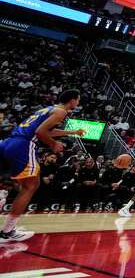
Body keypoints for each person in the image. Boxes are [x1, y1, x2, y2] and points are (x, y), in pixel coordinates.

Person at [0, 88, 83, 243]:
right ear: (72, 100)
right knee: (31, 185)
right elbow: (40, 132)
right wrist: (53, 145)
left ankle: (2, 199)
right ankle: (7, 232)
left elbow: (45, 130)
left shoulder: (48, 109)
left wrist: (72, 133)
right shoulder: (61, 112)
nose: (78, 103)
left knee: (8, 183)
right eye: (77, 100)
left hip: (8, 142)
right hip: (23, 145)